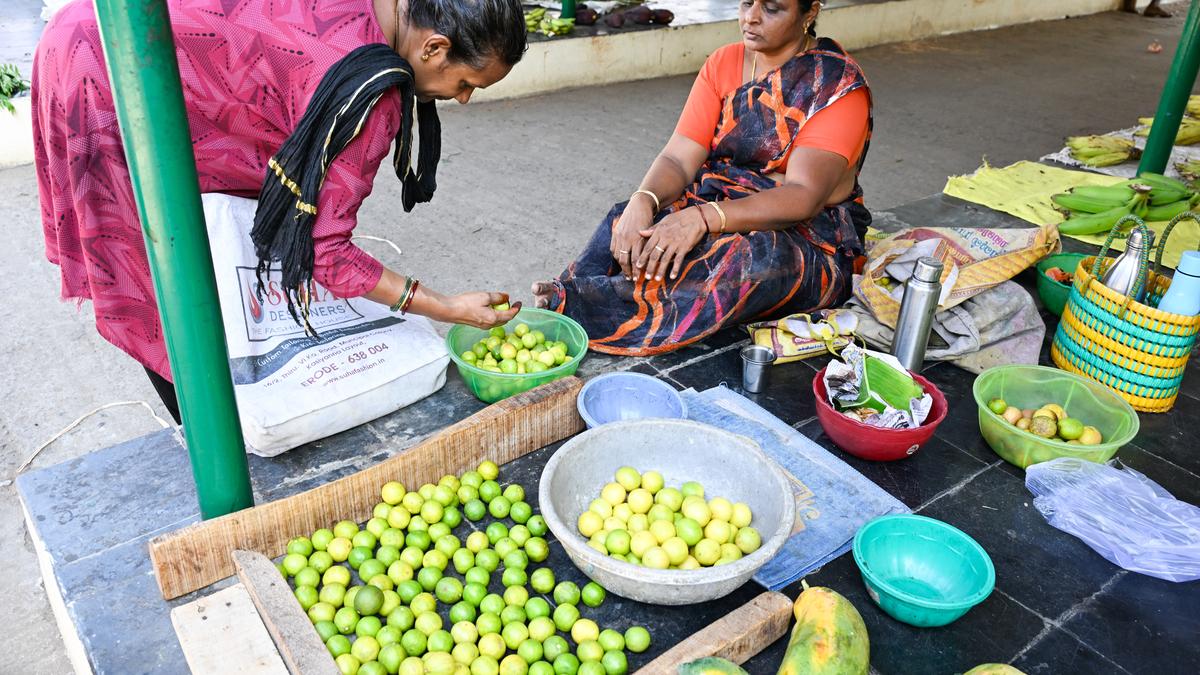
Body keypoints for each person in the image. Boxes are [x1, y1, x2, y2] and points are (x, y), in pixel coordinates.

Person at [33, 0, 527, 423]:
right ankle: (217, 444)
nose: (463, 99)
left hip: (92, 27)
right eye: (467, 82)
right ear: (434, 48)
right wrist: (447, 307)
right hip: (114, 72)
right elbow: (326, 253)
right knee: (165, 290)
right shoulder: (367, 90)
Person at [533, 0, 871, 356]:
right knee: (628, 222)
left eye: (772, 8)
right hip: (718, 201)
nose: (751, 17)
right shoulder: (724, 62)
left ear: (810, 12)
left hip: (808, 239)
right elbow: (679, 158)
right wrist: (643, 200)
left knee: (741, 261)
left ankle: (583, 310)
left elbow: (802, 196)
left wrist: (701, 219)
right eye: (746, 2)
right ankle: (575, 296)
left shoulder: (835, 85)